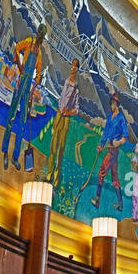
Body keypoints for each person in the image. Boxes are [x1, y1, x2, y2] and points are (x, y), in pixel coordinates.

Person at [1, 22, 47, 170]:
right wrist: (20, 65)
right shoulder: (29, 42)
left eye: (42, 35)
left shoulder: (39, 54)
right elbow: (16, 48)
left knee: (22, 123)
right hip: (21, 82)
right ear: (38, 33)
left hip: (28, 88)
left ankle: (15, 157)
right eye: (40, 33)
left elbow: (39, 75)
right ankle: (4, 151)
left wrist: (33, 90)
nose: (40, 36)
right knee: (11, 117)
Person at [90, 92, 129, 212]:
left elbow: (126, 136)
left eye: (113, 103)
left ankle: (97, 200)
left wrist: (120, 142)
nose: (111, 105)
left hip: (113, 150)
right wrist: (101, 145)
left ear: (117, 104)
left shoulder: (121, 118)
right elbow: (106, 132)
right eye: (111, 103)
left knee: (101, 172)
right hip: (110, 148)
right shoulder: (109, 116)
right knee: (115, 177)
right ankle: (121, 205)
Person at [47, 58, 81, 186]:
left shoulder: (76, 88)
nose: (72, 67)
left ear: (77, 69)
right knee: (52, 146)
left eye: (74, 66)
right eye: (71, 65)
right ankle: (49, 174)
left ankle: (56, 178)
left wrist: (68, 112)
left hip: (65, 118)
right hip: (58, 114)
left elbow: (77, 109)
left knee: (60, 148)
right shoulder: (67, 80)